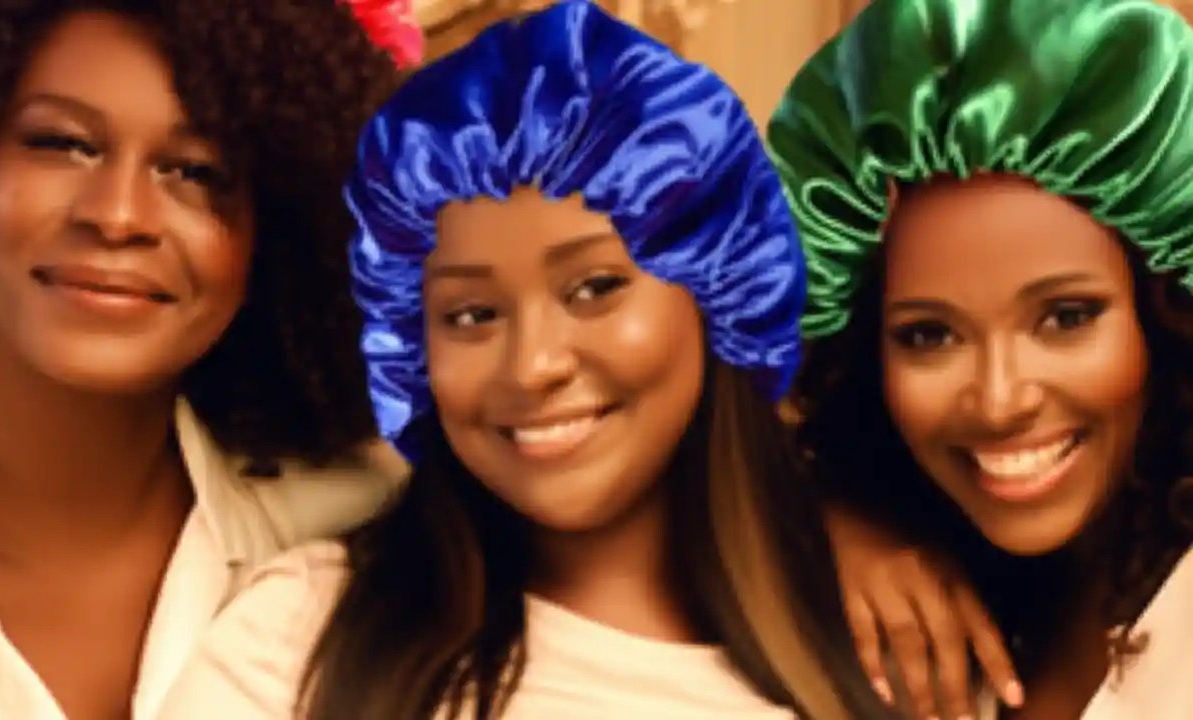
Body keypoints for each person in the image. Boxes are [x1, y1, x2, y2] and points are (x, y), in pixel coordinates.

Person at [156, 2, 895, 719]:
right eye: (471, 315)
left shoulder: (887, 653)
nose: (532, 365)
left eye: (595, 288)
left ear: (718, 291)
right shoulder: (299, 639)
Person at [0, 1, 415, 718]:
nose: (117, 215)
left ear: (270, 237)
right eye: (62, 143)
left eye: (196, 170)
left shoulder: (372, 537)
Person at [767, 0, 1193, 718]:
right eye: (929, 336)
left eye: (1066, 318)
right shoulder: (961, 580)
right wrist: (830, 526)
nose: (999, 400)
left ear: (1168, 322)